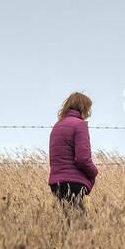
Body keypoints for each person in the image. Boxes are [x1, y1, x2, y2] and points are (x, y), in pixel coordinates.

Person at [49, 92, 99, 220]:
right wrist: (94, 172)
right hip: (74, 183)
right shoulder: (80, 125)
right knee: (82, 226)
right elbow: (82, 159)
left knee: (69, 223)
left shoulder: (57, 125)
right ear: (84, 108)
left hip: (57, 184)